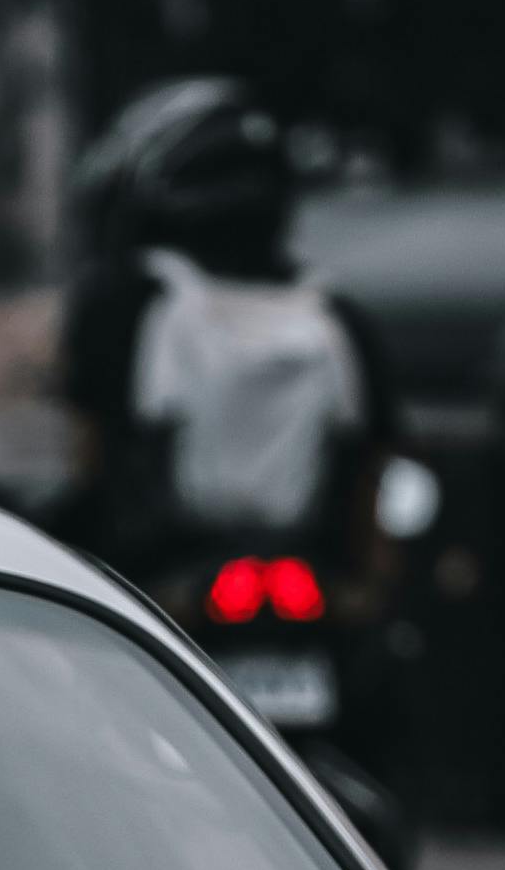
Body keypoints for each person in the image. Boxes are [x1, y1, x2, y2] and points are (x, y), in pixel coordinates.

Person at [54, 77, 386, 584]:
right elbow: (377, 474)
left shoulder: (123, 305)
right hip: (312, 582)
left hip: (155, 588)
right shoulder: (340, 317)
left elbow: (90, 461)